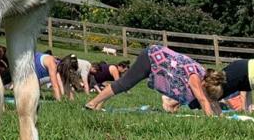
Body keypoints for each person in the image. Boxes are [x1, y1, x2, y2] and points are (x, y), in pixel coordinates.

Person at [84, 44, 217, 116]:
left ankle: (98, 103)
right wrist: (211, 119)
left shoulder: (202, 73)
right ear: (205, 83)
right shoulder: (195, 76)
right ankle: (92, 103)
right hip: (151, 58)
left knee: (123, 84)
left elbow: (206, 98)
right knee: (125, 84)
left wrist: (218, 114)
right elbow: (202, 99)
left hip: (156, 61)